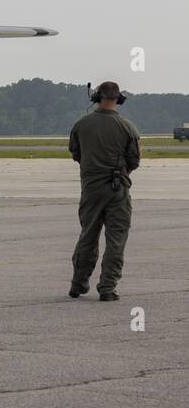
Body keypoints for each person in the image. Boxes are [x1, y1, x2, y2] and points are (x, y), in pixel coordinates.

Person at [68, 81, 140, 301]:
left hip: (90, 189)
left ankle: (78, 285)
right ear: (119, 99)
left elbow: (75, 153)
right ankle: (107, 288)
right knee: (116, 240)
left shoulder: (81, 125)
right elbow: (134, 160)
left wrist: (93, 170)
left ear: (96, 97)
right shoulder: (128, 127)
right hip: (117, 189)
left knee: (87, 236)